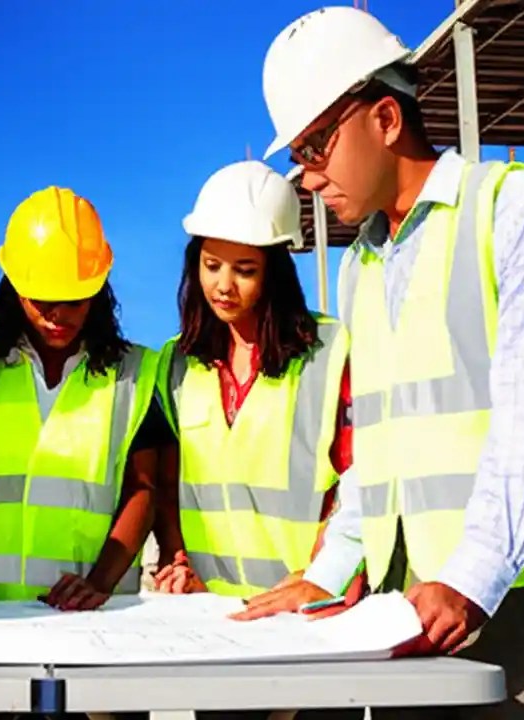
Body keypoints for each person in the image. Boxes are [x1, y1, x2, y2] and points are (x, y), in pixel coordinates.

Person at [239, 7, 524, 718]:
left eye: (315, 148)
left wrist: (471, 579)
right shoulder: (365, 265)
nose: (306, 179)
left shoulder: (515, 210)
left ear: (386, 119)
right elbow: (383, 451)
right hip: (414, 608)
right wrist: (331, 575)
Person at [150, 160, 361, 606]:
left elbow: (362, 482)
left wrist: (328, 572)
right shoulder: (176, 364)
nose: (223, 286)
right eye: (211, 265)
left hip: (308, 608)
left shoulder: (331, 352)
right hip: (211, 615)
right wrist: (180, 563)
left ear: (275, 274)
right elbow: (168, 488)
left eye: (244, 270)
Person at [0, 186, 170, 610]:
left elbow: (143, 489)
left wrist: (100, 584)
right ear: (16, 290)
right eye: (44, 300)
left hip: (97, 615)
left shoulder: (135, 373)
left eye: (75, 299)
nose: (60, 314)